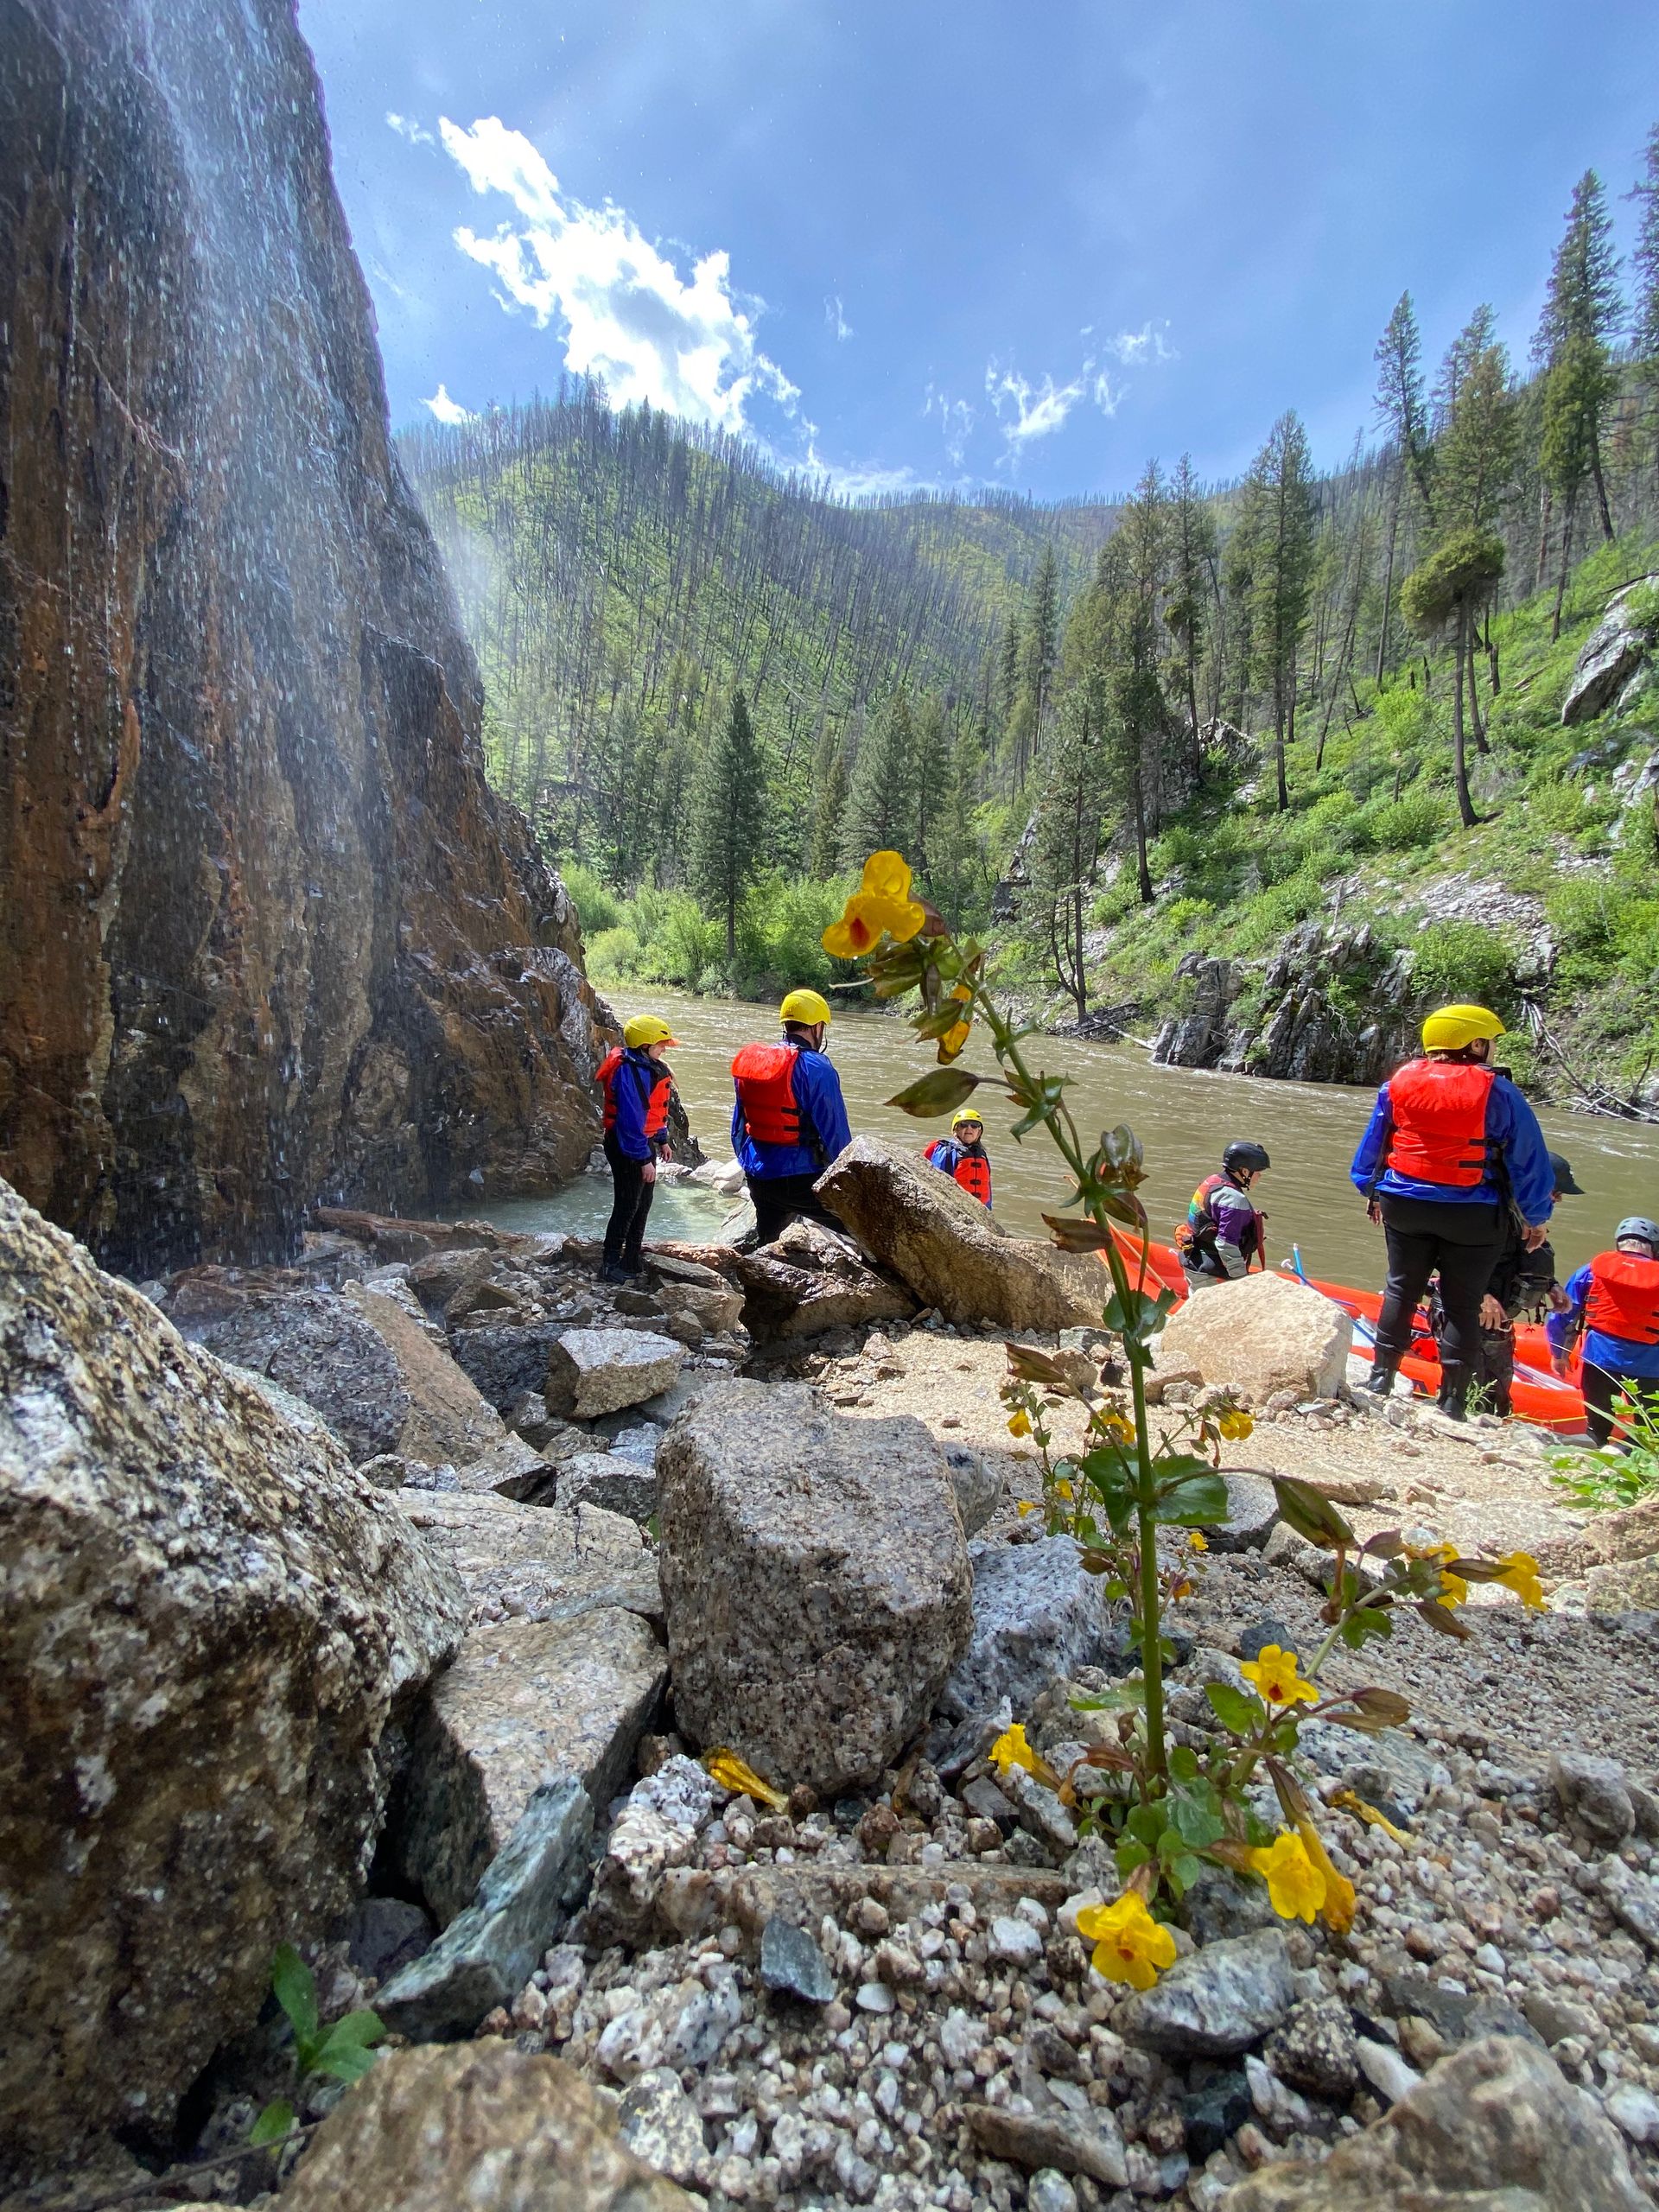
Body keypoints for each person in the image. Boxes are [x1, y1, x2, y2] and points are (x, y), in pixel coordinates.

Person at [1350, 1004, 1554, 1421]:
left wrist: (1371, 1191)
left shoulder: (1397, 1084)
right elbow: (1529, 1159)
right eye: (1490, 1043)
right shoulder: (1500, 1092)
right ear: (1475, 1043)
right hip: (1474, 1214)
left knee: (1401, 1288)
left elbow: (1374, 1147)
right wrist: (1535, 1216)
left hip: (1403, 1204)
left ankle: (1381, 1377)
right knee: (1463, 1302)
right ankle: (1453, 1401)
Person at [1436, 1150, 1582, 1418]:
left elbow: (1525, 1261)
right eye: (1556, 1191)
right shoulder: (1488, 1213)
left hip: (1498, 1322)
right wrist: (1482, 1295)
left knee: (1496, 1398)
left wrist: (1551, 1286)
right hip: (1466, 1311)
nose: (1559, 1198)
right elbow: (1447, 1256)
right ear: (1535, 1187)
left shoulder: (1531, 1220)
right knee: (1467, 1388)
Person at [731, 988, 853, 1245]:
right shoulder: (818, 1068)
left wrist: (749, 1166)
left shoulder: (755, 1063)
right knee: (863, 1227)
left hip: (758, 1177)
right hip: (802, 1180)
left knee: (768, 1241)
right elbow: (837, 1138)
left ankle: (759, 1268)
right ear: (817, 1026)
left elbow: (738, 1129)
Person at [1550, 1216, 1659, 1447]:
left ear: (1619, 1243)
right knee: (1651, 1432)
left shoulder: (1591, 1271)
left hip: (1599, 1362)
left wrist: (1558, 1353)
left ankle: (1595, 1438)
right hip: (1651, 1367)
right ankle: (1631, 1452)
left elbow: (1561, 1314)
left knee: (1596, 1429)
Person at [595, 1014, 678, 1283]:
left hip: (641, 1144)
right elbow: (631, 1120)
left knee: (643, 1203)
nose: (664, 1049)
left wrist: (662, 1139)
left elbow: (654, 1111)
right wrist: (644, 1159)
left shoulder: (646, 1067)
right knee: (627, 1204)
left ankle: (631, 1259)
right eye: (660, 1044)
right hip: (627, 1146)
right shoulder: (629, 1071)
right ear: (645, 1045)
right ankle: (609, 1264)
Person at [1175, 1141, 1270, 1286]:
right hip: (1211, 1273)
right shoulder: (1234, 1200)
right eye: (1258, 1172)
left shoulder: (1212, 1181)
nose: (1260, 1177)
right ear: (1245, 1171)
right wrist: (1241, 1279)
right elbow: (1226, 1244)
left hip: (1194, 1262)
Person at [924, 1108, 994, 1207]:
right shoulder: (946, 1151)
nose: (969, 1128)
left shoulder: (981, 1155)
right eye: (964, 1124)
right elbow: (935, 1183)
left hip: (979, 1210)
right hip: (953, 1207)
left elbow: (987, 1188)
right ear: (956, 1129)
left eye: (974, 1126)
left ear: (979, 1132)